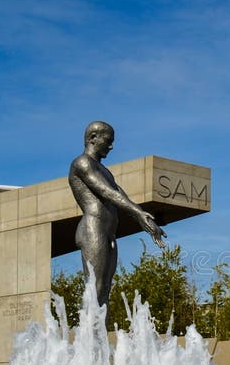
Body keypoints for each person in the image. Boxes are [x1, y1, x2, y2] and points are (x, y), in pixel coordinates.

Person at [69, 121, 166, 307]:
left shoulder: (105, 171)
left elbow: (121, 196)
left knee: (104, 290)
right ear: (92, 138)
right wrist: (138, 212)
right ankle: (89, 335)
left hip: (108, 233)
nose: (111, 146)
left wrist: (143, 217)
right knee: (94, 288)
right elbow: (107, 192)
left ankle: (100, 336)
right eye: (108, 140)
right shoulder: (82, 163)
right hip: (93, 229)